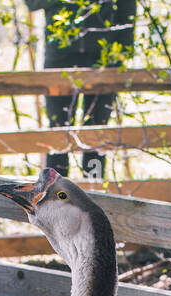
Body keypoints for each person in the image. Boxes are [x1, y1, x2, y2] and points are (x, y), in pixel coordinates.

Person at [26, 0, 136, 179]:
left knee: (97, 130)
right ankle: (55, 197)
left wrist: (124, 48)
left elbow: (127, 5)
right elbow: (31, 4)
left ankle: (94, 192)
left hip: (104, 54)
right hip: (60, 55)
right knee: (58, 129)